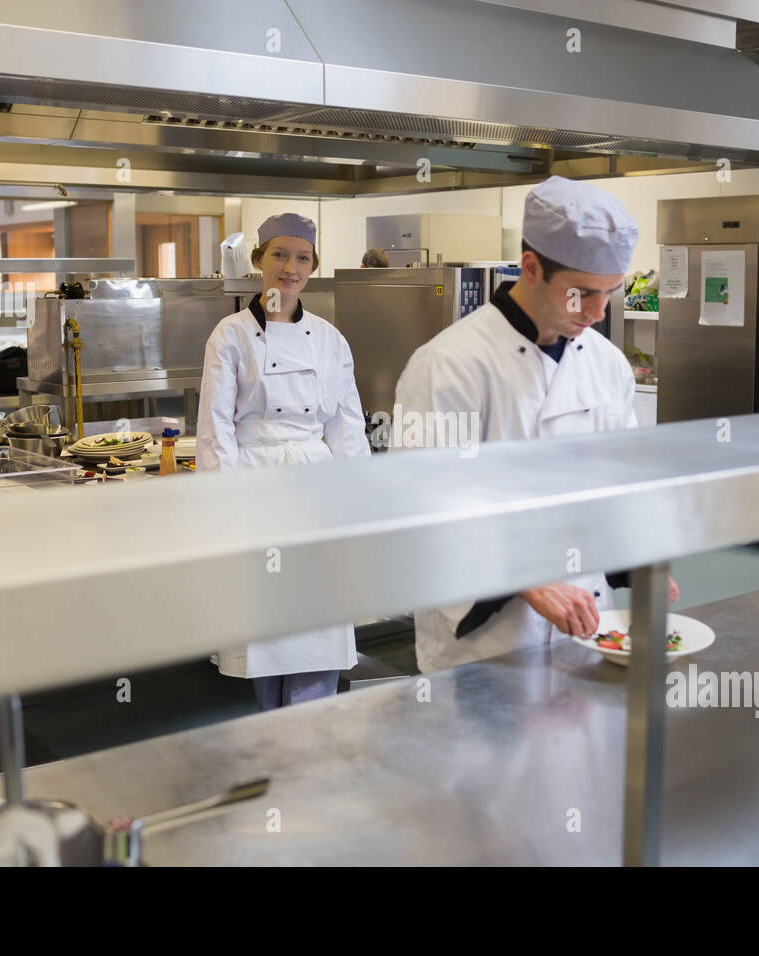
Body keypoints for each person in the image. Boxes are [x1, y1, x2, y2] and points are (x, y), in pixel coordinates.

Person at [394, 176, 677, 673]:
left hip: (589, 629)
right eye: (582, 294)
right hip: (486, 645)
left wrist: (642, 557)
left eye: (608, 293)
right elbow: (420, 508)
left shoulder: (608, 365)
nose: (597, 312)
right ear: (531, 266)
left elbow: (623, 484)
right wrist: (525, 578)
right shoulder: (449, 364)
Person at [197, 213, 371, 709]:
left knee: (316, 621)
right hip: (255, 488)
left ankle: (311, 740)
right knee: (268, 632)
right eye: (279, 255)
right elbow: (215, 427)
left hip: (317, 489)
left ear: (313, 267)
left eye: (301, 259)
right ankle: (274, 736)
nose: (289, 269)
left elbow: (347, 426)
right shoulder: (229, 336)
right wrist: (222, 508)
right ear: (258, 261)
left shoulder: (330, 338)